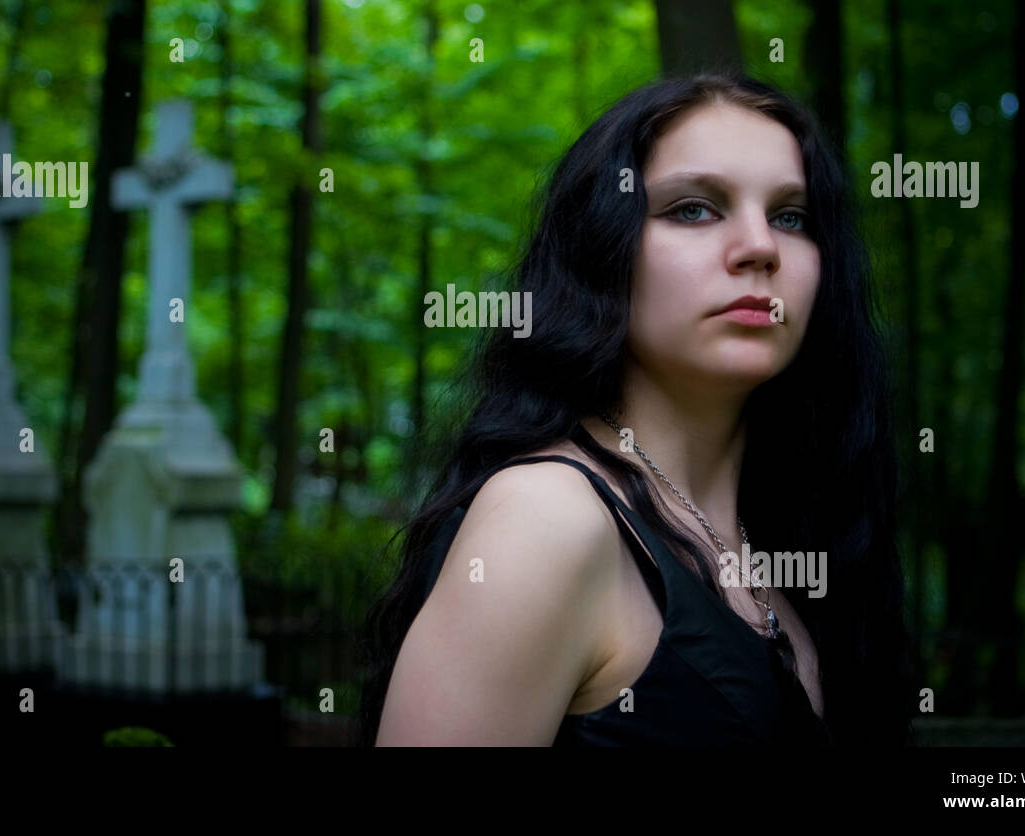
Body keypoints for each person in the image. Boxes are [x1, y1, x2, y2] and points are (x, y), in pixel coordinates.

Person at [357, 71, 911, 746]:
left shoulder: (799, 532)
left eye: (790, 217)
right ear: (603, 249)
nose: (760, 247)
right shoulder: (547, 520)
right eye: (694, 209)